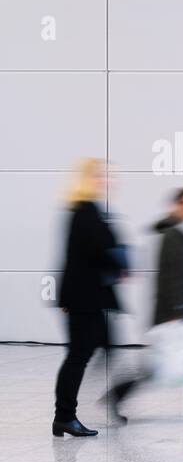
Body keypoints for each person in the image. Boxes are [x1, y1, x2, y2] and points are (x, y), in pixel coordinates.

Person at [106, 187, 183, 420]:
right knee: (158, 367)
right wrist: (179, 310)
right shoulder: (172, 236)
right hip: (174, 312)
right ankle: (118, 395)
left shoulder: (176, 233)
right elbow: (171, 277)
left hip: (179, 309)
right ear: (178, 205)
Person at [52, 159, 128, 437]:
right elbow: (97, 251)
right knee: (78, 357)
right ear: (88, 179)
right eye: (101, 176)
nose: (107, 180)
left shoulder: (84, 211)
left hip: (88, 298)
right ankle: (64, 416)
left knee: (104, 349)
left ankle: (113, 399)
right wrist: (119, 258)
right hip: (86, 300)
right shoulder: (85, 211)